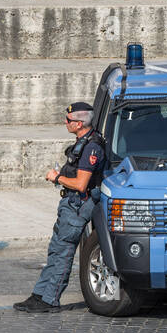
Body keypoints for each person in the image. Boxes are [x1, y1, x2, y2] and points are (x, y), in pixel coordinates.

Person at [13, 103, 108, 313]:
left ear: (79, 123)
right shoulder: (83, 142)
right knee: (55, 250)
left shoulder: (92, 147)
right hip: (70, 204)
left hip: (78, 204)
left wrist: (58, 177)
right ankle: (39, 294)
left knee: (64, 252)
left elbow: (82, 184)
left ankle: (50, 299)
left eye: (68, 120)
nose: (65, 123)